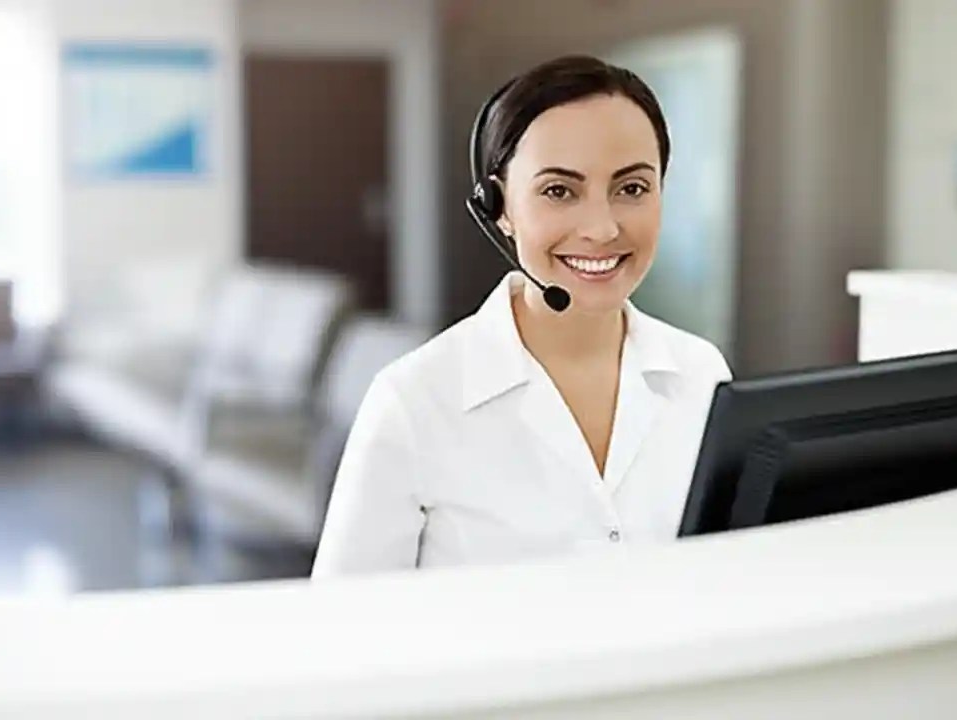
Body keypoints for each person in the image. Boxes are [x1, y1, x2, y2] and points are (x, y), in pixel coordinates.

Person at [312, 55, 732, 576]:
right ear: (499, 207)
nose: (601, 229)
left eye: (632, 188)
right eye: (559, 191)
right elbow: (346, 629)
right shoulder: (414, 401)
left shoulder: (702, 376)